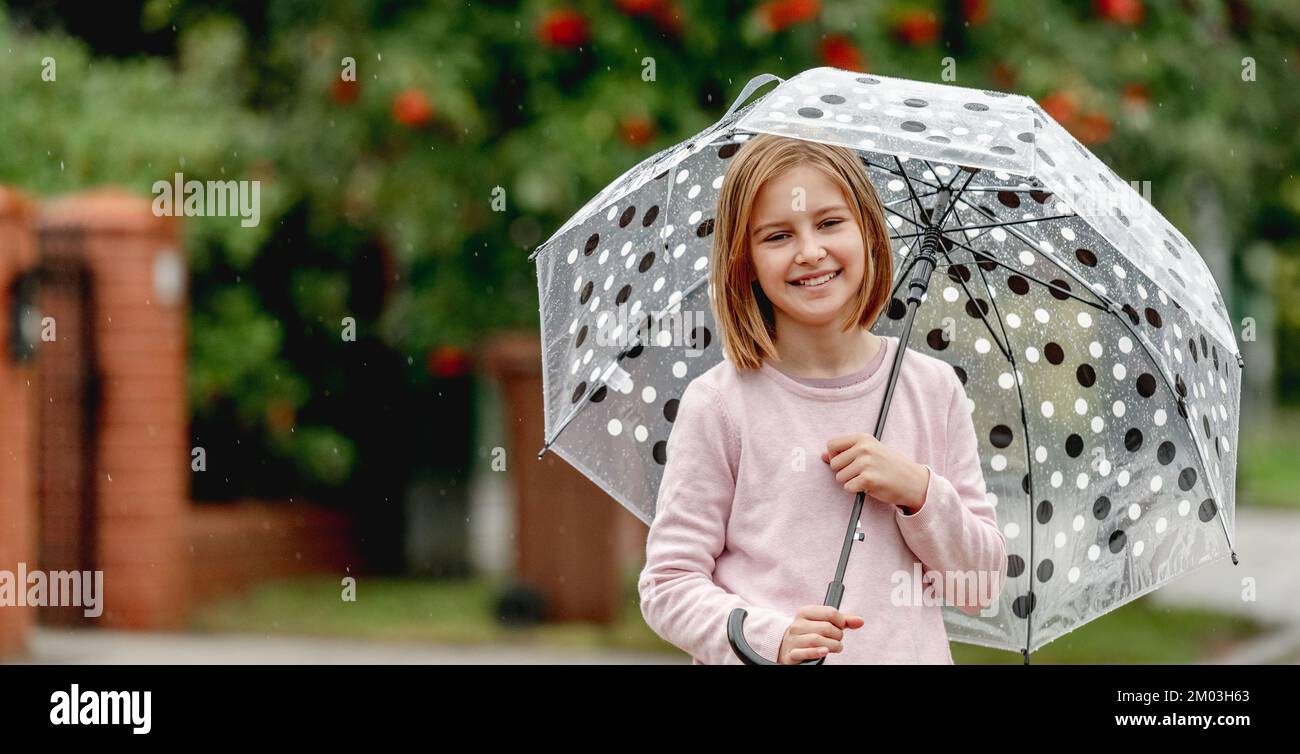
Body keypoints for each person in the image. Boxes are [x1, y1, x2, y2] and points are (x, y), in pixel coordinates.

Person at [637, 134, 1007, 664]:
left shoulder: (932, 390)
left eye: (831, 223)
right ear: (745, 261)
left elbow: (980, 585)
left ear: (868, 234)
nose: (810, 251)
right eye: (778, 235)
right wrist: (768, 636)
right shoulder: (720, 404)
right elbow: (669, 585)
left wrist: (917, 491)